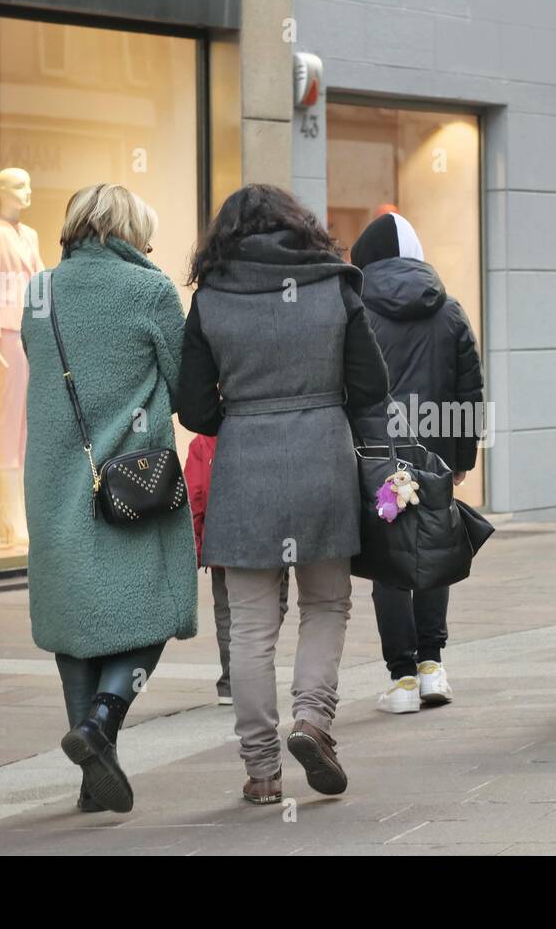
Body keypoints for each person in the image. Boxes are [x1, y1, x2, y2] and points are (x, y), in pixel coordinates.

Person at [178, 184, 390, 805]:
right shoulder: (335, 285)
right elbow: (370, 385)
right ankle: (313, 722)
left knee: (248, 627)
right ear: (301, 227)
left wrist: (244, 420)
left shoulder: (212, 298)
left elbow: (192, 405)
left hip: (244, 467)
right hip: (324, 457)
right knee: (326, 603)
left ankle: (262, 770)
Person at [21, 184, 197, 814]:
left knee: (73, 621)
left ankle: (94, 776)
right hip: (131, 481)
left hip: (51, 479)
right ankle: (101, 721)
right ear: (128, 233)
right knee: (162, 604)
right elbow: (183, 386)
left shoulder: (38, 291)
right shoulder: (150, 292)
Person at [348, 212, 484, 715]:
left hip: (379, 456)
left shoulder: (356, 308)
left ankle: (402, 678)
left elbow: (347, 386)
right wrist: (462, 456)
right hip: (436, 456)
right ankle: (432, 667)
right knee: (432, 550)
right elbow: (470, 387)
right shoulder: (448, 310)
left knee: (390, 558)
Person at [184, 430, 290, 707]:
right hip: (266, 536)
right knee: (272, 604)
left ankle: (233, 681)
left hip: (222, 541)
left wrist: (196, 546)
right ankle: (250, 671)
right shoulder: (268, 434)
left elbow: (192, 498)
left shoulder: (202, 443)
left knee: (227, 612)